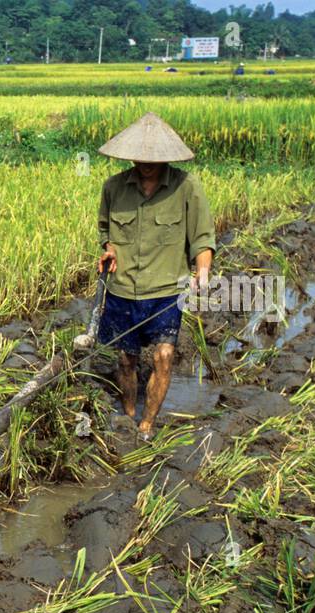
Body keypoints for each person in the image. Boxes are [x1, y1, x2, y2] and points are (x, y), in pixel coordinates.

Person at [95, 112, 215, 440]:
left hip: (165, 290)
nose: (145, 163)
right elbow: (106, 232)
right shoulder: (114, 188)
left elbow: (203, 238)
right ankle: (129, 417)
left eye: (153, 158)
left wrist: (202, 275)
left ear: (166, 157)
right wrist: (109, 250)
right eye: (140, 156)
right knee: (125, 360)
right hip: (123, 290)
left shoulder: (187, 187)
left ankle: (147, 426)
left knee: (164, 357)